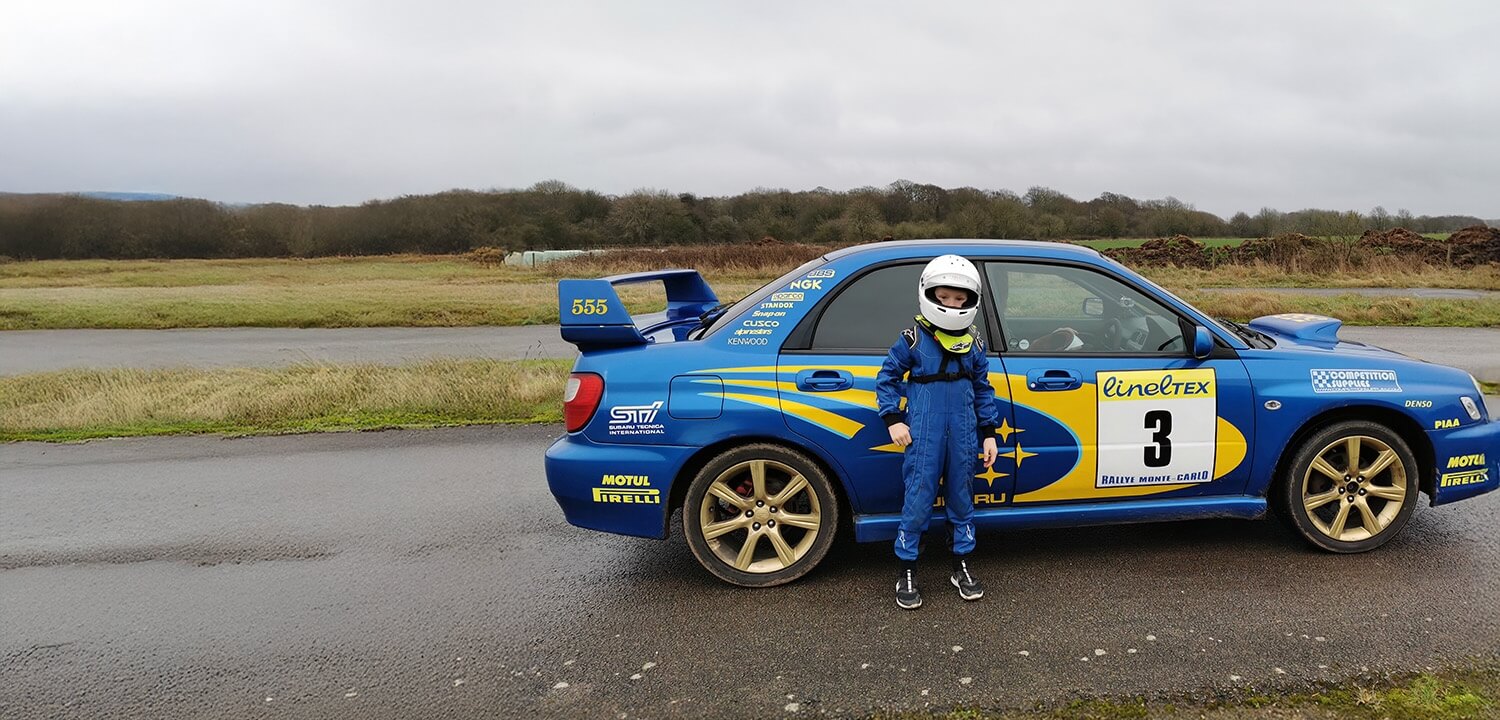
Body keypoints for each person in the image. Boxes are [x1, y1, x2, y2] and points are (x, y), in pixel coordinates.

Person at [876, 254, 1001, 609]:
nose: (952, 305)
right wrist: (893, 419)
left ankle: (960, 562)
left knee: (962, 498)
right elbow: (886, 379)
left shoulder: (974, 344)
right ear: (929, 294)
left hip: (963, 434)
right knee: (918, 496)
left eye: (960, 299)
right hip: (924, 433)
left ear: (971, 301)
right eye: (944, 297)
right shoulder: (913, 339)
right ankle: (907, 566)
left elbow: (982, 389)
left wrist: (988, 433)